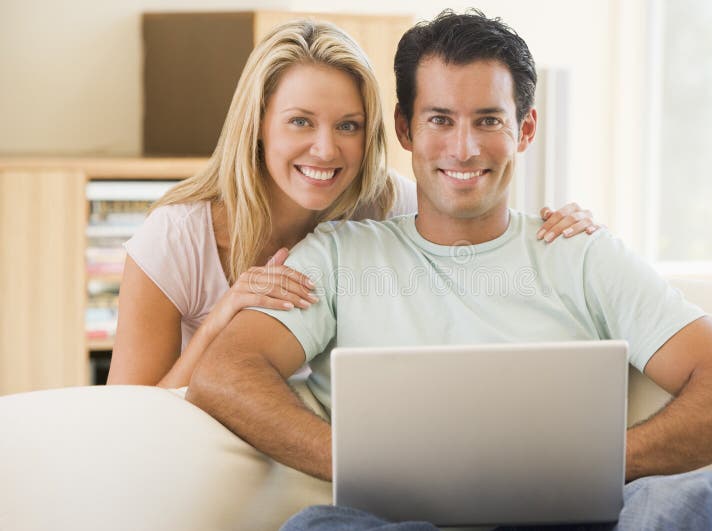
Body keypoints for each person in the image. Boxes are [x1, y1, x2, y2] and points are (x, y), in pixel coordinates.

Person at [186, 10, 712, 531]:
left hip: (574, 522)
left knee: (681, 502)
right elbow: (227, 373)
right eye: (440, 119)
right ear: (404, 129)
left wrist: (595, 463)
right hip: (396, 523)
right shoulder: (339, 256)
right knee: (320, 528)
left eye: (488, 120)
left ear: (525, 129)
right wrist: (361, 461)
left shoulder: (580, 253)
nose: (464, 149)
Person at [106, 19, 600, 389]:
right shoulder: (177, 238)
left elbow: (483, 235)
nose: (326, 149)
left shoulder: (389, 206)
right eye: (300, 121)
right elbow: (130, 418)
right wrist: (222, 319)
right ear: (257, 124)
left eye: (348, 125)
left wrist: (556, 227)